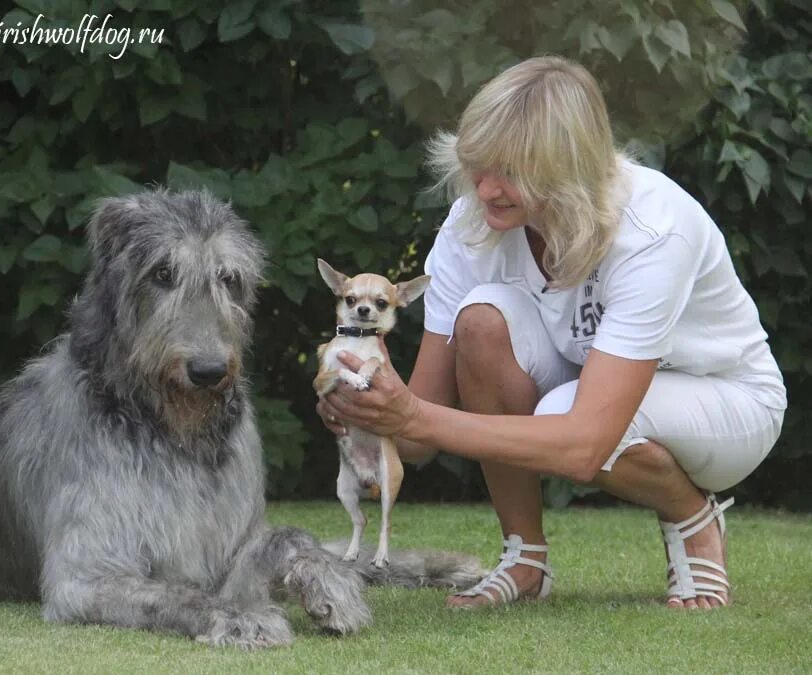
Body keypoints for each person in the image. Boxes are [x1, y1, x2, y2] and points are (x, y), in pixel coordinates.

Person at [316, 55, 787, 610]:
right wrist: (364, 403)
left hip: (730, 403)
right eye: (478, 166)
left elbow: (584, 447)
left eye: (512, 171)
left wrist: (412, 416)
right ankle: (525, 558)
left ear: (572, 164)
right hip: (588, 393)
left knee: (564, 410)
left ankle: (692, 517)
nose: (486, 190)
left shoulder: (654, 229)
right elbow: (416, 440)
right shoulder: (472, 224)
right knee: (483, 318)